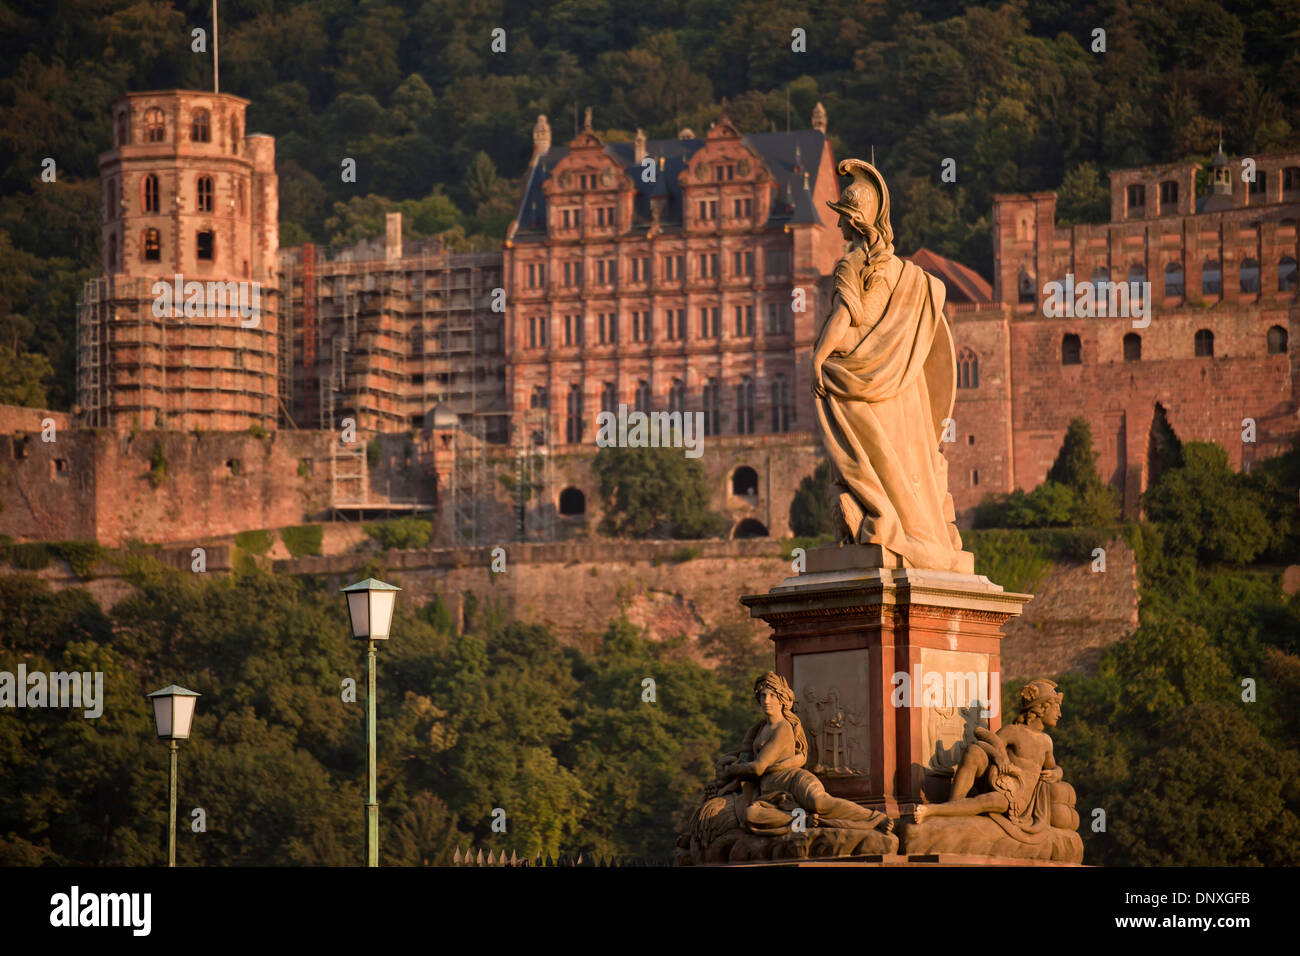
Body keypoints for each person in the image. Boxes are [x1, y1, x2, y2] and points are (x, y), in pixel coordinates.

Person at [812, 159, 968, 572]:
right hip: (900, 387)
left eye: (842, 218)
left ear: (855, 222)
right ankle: (920, 532)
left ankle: (877, 521)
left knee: (833, 383)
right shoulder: (909, 275)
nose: (839, 227)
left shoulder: (850, 265)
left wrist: (817, 358)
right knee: (906, 464)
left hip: (859, 380)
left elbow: (845, 319)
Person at [715, 672, 893, 835]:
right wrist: (731, 765)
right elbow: (745, 759)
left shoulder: (782, 729)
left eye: (772, 696)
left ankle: (874, 818)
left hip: (792, 781)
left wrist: (731, 770)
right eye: (762, 696)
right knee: (751, 815)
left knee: (819, 803)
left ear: (782, 699)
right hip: (769, 792)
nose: (766, 701)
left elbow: (758, 768)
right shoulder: (757, 729)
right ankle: (804, 820)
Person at [912, 678, 1064, 839]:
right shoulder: (1013, 731)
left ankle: (934, 811)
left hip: (1017, 799)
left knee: (987, 801)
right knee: (974, 751)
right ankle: (953, 805)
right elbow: (984, 741)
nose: (1060, 714)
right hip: (1000, 783)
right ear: (1041, 708)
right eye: (1057, 708)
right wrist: (998, 756)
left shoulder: (1046, 742)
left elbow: (1053, 768)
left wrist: (1057, 773)